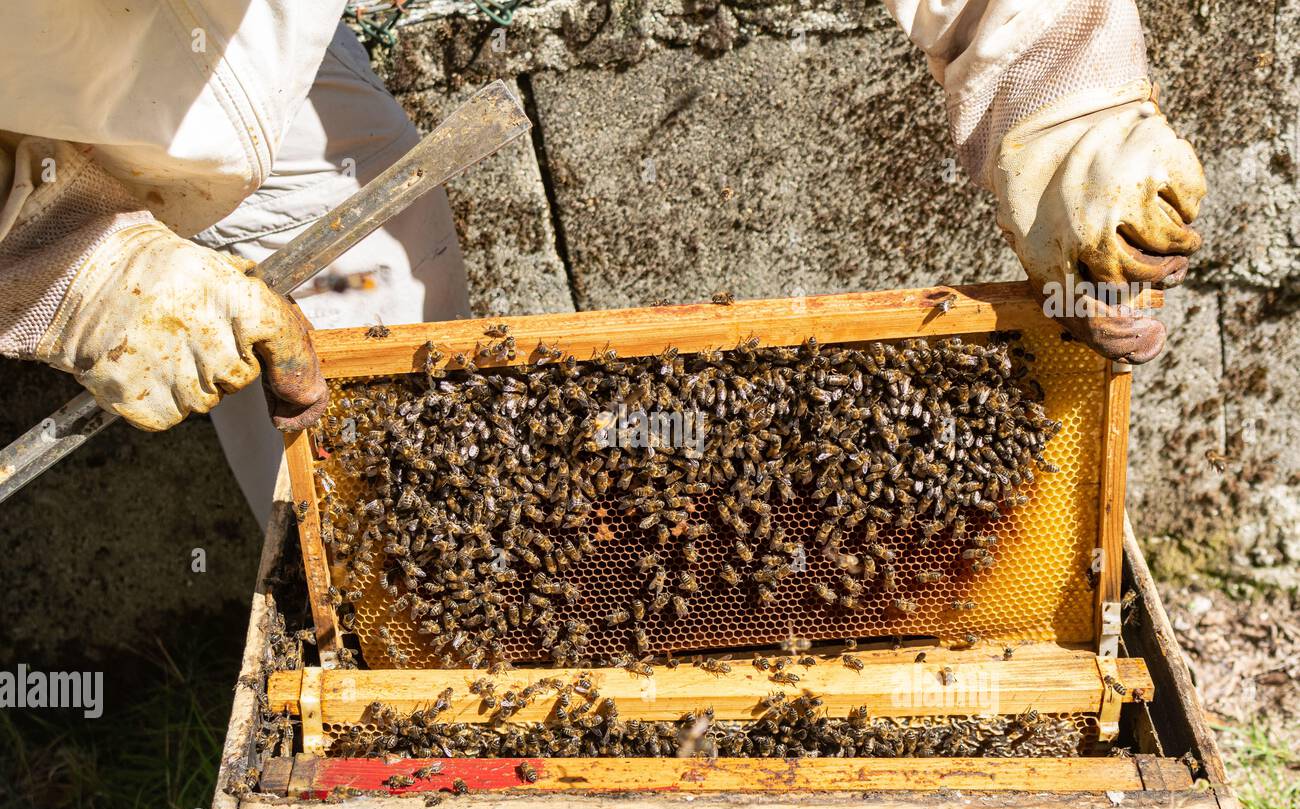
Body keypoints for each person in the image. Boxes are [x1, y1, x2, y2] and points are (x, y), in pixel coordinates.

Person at [0, 1, 1204, 527]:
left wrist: (1065, 107)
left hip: (237, 43)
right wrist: (63, 257)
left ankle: (405, 662)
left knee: (375, 328)